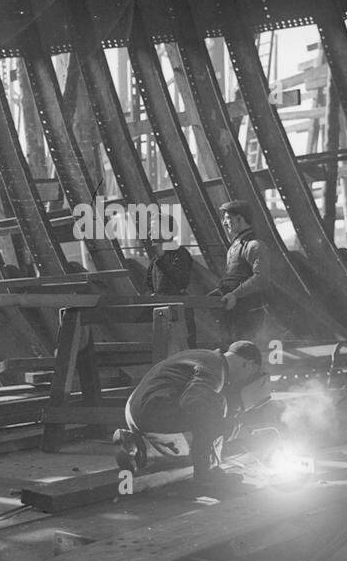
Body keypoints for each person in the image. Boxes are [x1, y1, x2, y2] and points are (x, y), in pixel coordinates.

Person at [114, 341, 265, 492]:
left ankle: (136, 446)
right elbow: (196, 402)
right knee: (215, 407)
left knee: (201, 430)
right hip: (154, 408)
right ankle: (207, 476)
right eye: (251, 375)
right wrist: (230, 419)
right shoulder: (216, 369)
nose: (245, 380)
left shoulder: (208, 358)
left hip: (138, 411)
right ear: (248, 365)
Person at [209, 200, 271, 347]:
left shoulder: (255, 246)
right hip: (232, 312)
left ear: (239, 218)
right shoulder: (234, 248)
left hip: (248, 313)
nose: (224, 223)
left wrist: (235, 295)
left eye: (228, 218)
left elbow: (261, 278)